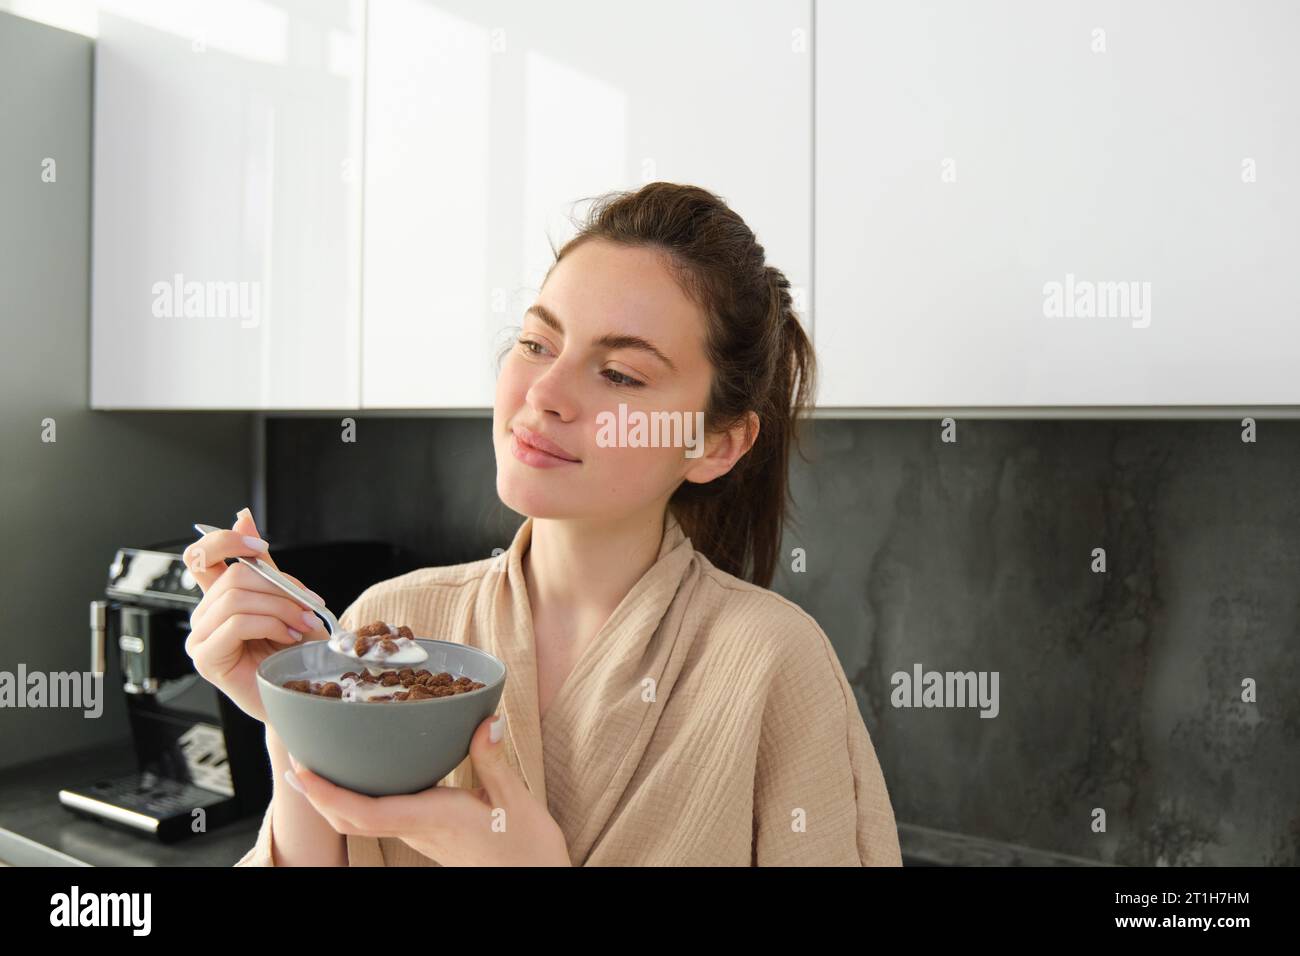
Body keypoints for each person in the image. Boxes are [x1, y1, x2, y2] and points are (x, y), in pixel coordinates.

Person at [186, 182, 902, 866]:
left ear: (716, 444)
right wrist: (302, 720)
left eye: (619, 374)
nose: (547, 393)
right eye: (535, 344)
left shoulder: (773, 666)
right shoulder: (389, 622)